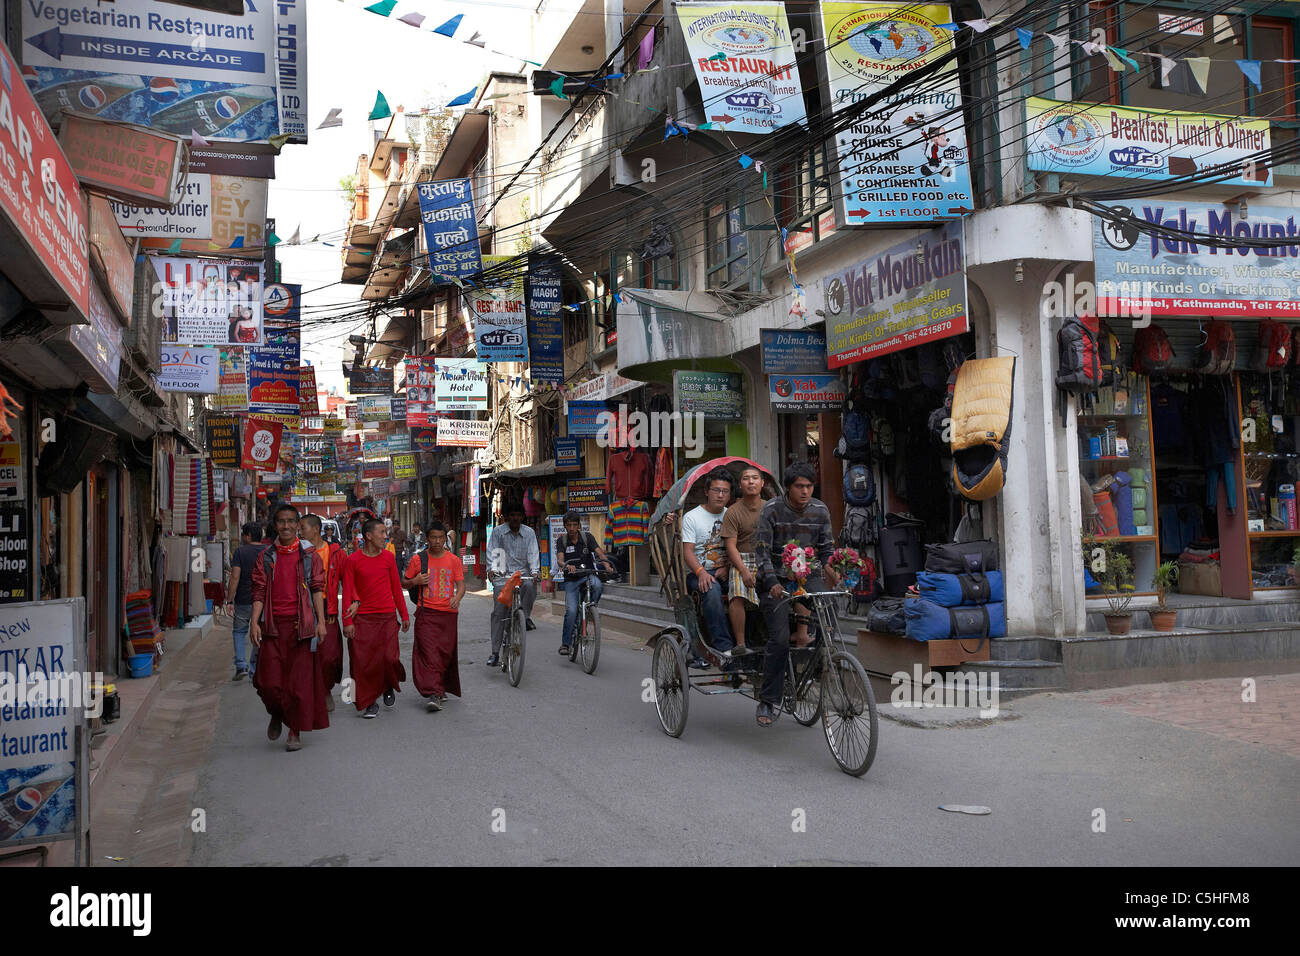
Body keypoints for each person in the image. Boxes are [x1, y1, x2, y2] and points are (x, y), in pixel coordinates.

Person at [754, 462, 838, 728]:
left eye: (809, 486)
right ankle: (768, 699)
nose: (804, 491)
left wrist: (833, 570)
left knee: (829, 622)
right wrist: (771, 582)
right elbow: (762, 552)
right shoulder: (772, 510)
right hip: (775, 580)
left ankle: (811, 671)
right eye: (799, 486)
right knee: (779, 639)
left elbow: (826, 550)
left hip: (808, 576)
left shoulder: (820, 510)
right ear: (788, 488)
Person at [249, 505, 329, 752]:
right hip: (272, 627)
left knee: (298, 685)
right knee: (267, 682)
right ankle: (276, 711)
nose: (285, 526)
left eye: (290, 522)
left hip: (301, 628)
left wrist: (321, 622)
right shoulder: (266, 557)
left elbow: (317, 589)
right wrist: (254, 621)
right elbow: (259, 590)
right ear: (275, 525)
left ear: (297, 526)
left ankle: (294, 731)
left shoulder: (310, 557)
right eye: (281, 522)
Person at [342, 518, 410, 718]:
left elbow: (397, 589)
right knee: (363, 663)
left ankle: (388, 683)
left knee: (390, 658)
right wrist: (347, 622)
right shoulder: (352, 560)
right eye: (381, 532)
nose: (385, 536)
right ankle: (369, 701)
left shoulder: (388, 558)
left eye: (385, 532)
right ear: (368, 536)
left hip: (387, 617)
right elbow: (347, 592)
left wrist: (404, 614)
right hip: (362, 619)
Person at [403, 520, 464, 711]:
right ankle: (434, 693)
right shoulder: (418, 560)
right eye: (433, 537)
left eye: (440, 537)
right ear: (427, 538)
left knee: (445, 653)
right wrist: (415, 580)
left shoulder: (454, 560)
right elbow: (404, 582)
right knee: (429, 653)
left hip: (448, 613)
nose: (437, 541)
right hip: (426, 612)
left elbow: (461, 585)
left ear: (445, 539)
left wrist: (458, 597)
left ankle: (440, 686)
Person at [680, 468, 736, 664]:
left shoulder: (732, 514)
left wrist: (728, 568)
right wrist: (701, 572)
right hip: (698, 571)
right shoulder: (692, 517)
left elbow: (739, 547)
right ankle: (723, 647)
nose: (720, 495)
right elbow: (687, 552)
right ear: (707, 491)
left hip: (728, 570)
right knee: (712, 589)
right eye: (716, 490)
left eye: (725, 491)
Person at [300, 514, 346, 711]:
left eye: (303, 528)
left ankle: (325, 689)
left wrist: (353, 606)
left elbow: (348, 581)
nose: (299, 532)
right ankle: (311, 694)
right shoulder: (297, 553)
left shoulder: (334, 552)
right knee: (306, 655)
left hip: (328, 608)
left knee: (329, 655)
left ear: (316, 529)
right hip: (304, 607)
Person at [486, 501, 539, 669]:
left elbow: (533, 553)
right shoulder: (498, 533)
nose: (515, 518)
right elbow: (495, 555)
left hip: (523, 575)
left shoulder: (529, 533)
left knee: (530, 586)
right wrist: (494, 571)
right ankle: (495, 653)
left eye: (518, 515)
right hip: (504, 575)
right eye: (512, 515)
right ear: (507, 517)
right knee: (499, 612)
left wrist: (535, 571)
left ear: (522, 517)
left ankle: (525, 616)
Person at [721, 466, 765, 658]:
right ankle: (740, 643)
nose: (751, 482)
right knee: (737, 594)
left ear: (762, 483)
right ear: (740, 485)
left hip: (765, 557)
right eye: (746, 478)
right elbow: (731, 546)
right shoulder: (733, 512)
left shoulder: (770, 507)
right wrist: (744, 570)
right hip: (741, 557)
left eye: (755, 478)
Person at [557, 510, 615, 656]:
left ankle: (590, 609)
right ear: (565, 526)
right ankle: (566, 643)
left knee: (598, 585)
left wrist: (606, 564)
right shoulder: (562, 541)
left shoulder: (587, 537)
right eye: (569, 525)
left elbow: (599, 552)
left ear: (579, 526)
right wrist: (565, 565)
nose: (571, 528)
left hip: (587, 575)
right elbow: (559, 559)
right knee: (571, 611)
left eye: (574, 525)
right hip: (571, 580)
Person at [224, 522, 264, 680]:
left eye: (243, 535)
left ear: (247, 536)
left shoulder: (240, 552)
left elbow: (235, 577)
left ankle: (241, 665)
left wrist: (229, 600)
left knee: (240, 632)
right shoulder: (267, 551)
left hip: (243, 600)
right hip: (262, 601)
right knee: (258, 633)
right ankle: (254, 668)